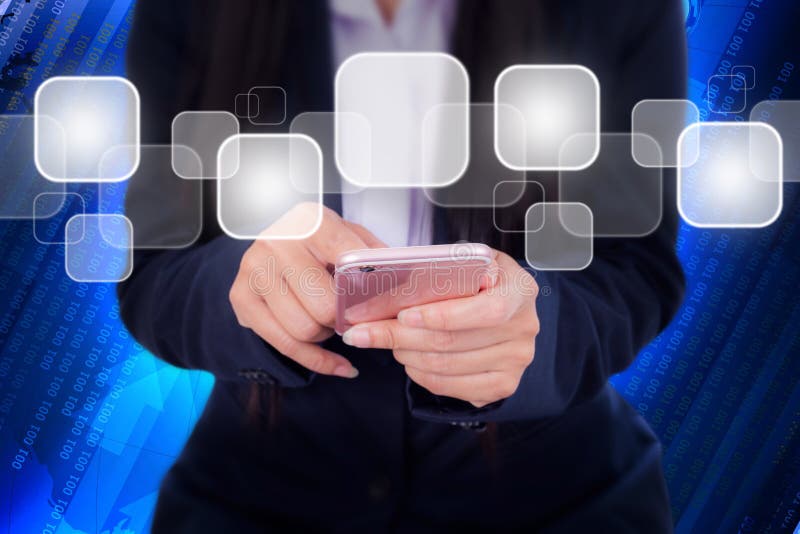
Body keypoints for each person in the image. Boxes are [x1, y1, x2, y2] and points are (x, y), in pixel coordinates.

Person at [119, 0, 687, 531]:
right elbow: (157, 269)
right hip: (258, 493)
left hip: (560, 498)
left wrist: (535, 333)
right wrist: (246, 283)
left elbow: (636, 265)